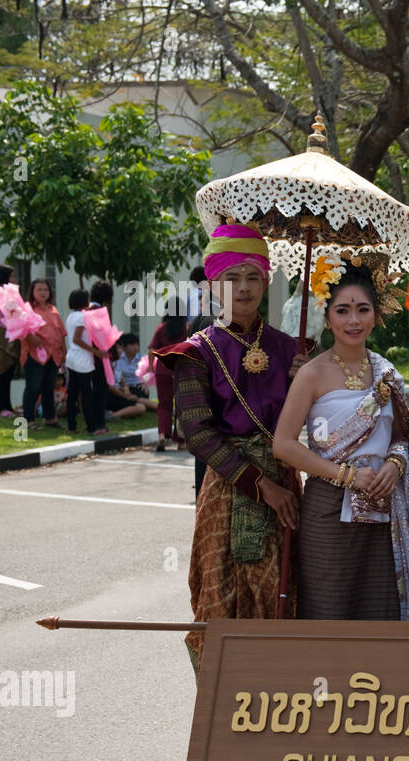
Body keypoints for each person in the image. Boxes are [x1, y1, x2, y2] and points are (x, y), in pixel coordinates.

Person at [151, 222, 307, 677]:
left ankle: (280, 703)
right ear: (215, 283)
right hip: (227, 491)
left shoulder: (293, 349)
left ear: (266, 281)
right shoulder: (195, 352)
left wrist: (307, 384)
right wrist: (263, 489)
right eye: (232, 277)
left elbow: (315, 429)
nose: (243, 287)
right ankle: (223, 716)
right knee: (220, 593)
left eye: (253, 277)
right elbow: (198, 433)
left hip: (285, 481)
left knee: (284, 591)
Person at [274, 263, 409, 621]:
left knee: (381, 613)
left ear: (376, 316)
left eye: (363, 310)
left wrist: (395, 464)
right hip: (328, 507)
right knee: (329, 609)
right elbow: (283, 444)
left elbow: (403, 437)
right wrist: (347, 476)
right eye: (342, 311)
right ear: (328, 318)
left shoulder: (387, 372)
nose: (353, 320)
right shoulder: (311, 373)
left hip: (382, 508)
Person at [22, 278, 66, 429]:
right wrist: (31, 338)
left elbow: (61, 333)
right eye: (39, 289)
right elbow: (21, 329)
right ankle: (28, 420)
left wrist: (63, 351)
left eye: (45, 290)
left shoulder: (53, 309)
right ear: (32, 292)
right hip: (35, 354)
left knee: (48, 387)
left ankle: (49, 418)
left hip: (53, 355)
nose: (42, 292)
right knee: (33, 387)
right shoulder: (28, 309)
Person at [64, 288, 108, 435]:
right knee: (86, 395)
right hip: (82, 361)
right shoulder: (82, 317)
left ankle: (72, 425)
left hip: (72, 359)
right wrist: (96, 352)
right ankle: (92, 427)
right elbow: (77, 338)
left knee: (72, 394)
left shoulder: (71, 316)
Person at [149, 305, 190, 451]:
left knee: (164, 404)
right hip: (179, 369)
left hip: (162, 369)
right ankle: (181, 440)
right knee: (181, 405)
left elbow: (152, 349)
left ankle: (162, 435)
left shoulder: (161, 328)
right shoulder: (186, 329)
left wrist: (150, 367)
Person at [0, 265, 20, 417]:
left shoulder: (10, 294)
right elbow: (9, 312)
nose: (15, 279)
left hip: (12, 332)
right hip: (3, 333)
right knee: (3, 369)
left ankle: (7, 406)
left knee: (9, 371)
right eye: (12, 276)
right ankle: (1, 408)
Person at [106, 334, 157, 420]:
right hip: (120, 392)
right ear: (125, 347)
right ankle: (166, 410)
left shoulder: (142, 358)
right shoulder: (116, 361)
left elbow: (150, 372)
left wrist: (145, 384)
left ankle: (166, 410)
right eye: (132, 345)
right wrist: (126, 391)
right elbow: (112, 384)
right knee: (139, 402)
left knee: (138, 399)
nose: (136, 347)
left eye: (137, 344)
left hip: (137, 387)